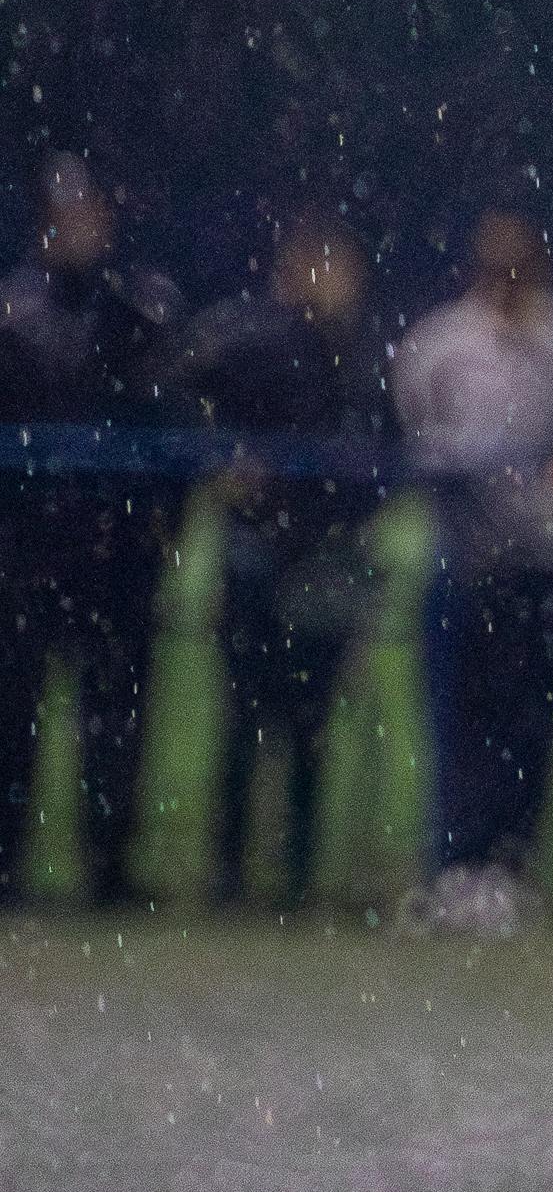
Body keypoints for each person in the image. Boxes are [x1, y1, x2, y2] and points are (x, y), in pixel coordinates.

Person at [391, 204, 553, 931]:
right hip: (468, 562)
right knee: (460, 722)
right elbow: (418, 440)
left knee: (532, 728)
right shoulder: (439, 345)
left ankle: (510, 867)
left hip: (545, 564)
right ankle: (455, 867)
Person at [179, 218, 391, 912]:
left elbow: (385, 451)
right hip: (262, 552)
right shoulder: (248, 341)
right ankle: (234, 870)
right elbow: (178, 393)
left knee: (308, 725)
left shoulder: (359, 355)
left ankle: (294, 872)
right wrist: (219, 459)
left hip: (324, 557)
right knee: (248, 717)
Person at [0, 155, 191, 910]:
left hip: (114, 546)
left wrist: (160, 520)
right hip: (28, 547)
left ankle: (108, 865)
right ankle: (10, 862)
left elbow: (164, 422)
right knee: (16, 713)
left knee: (114, 718)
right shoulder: (13, 316)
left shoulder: (138, 313)